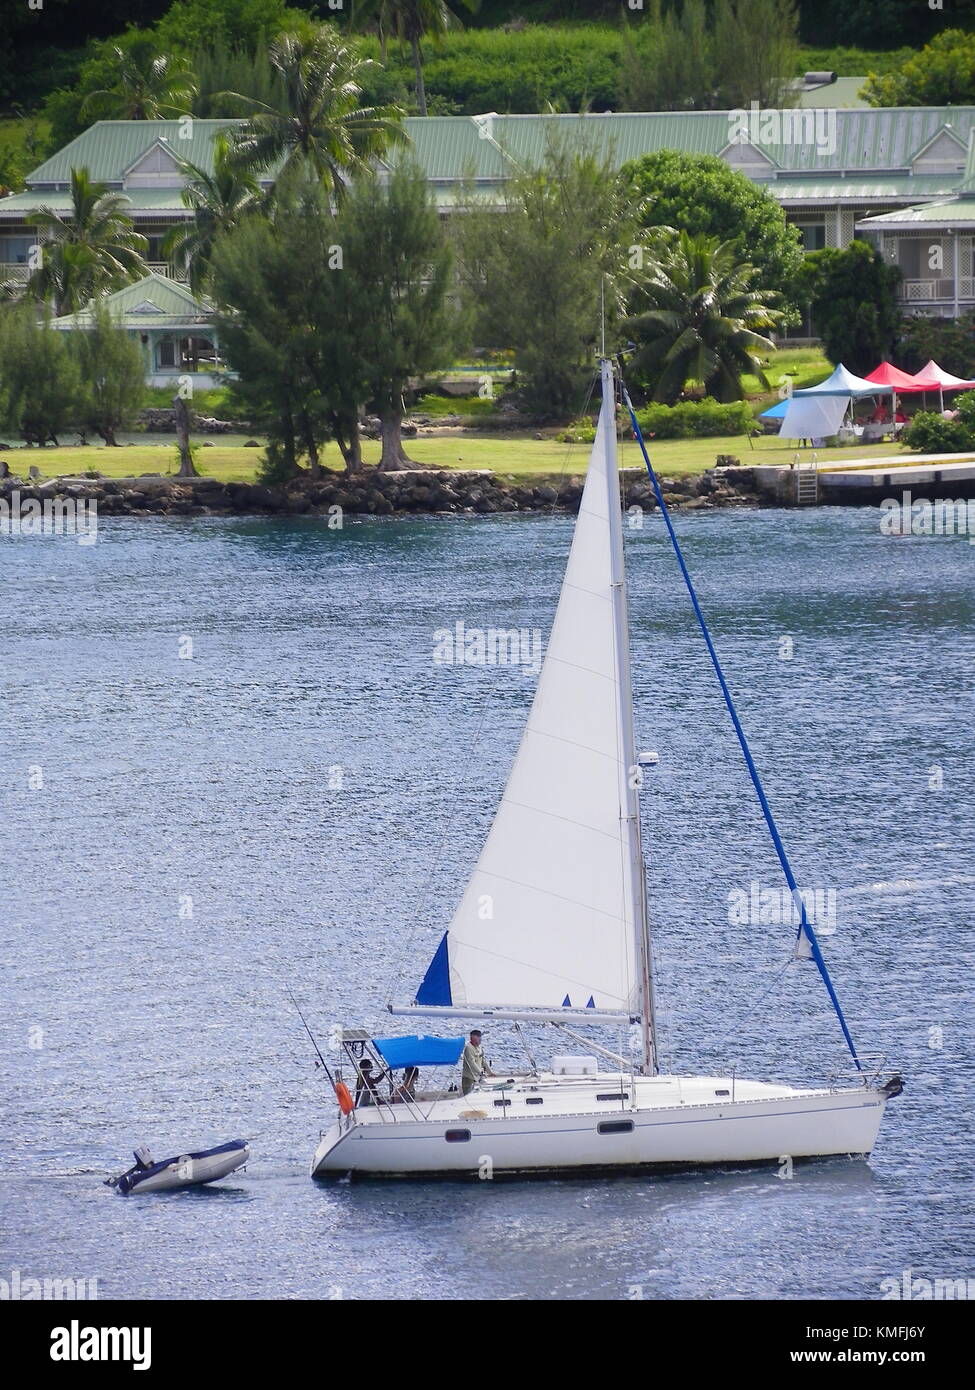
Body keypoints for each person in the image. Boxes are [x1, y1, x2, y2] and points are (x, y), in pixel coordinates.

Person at [461, 1030, 494, 1095]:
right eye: (477, 1038)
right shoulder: (468, 1048)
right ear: (472, 1038)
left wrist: (490, 1072)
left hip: (477, 1077)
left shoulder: (479, 1047)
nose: (479, 1040)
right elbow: (472, 1063)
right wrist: (481, 1073)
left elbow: (483, 1060)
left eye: (480, 1037)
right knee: (468, 1094)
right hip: (469, 1078)